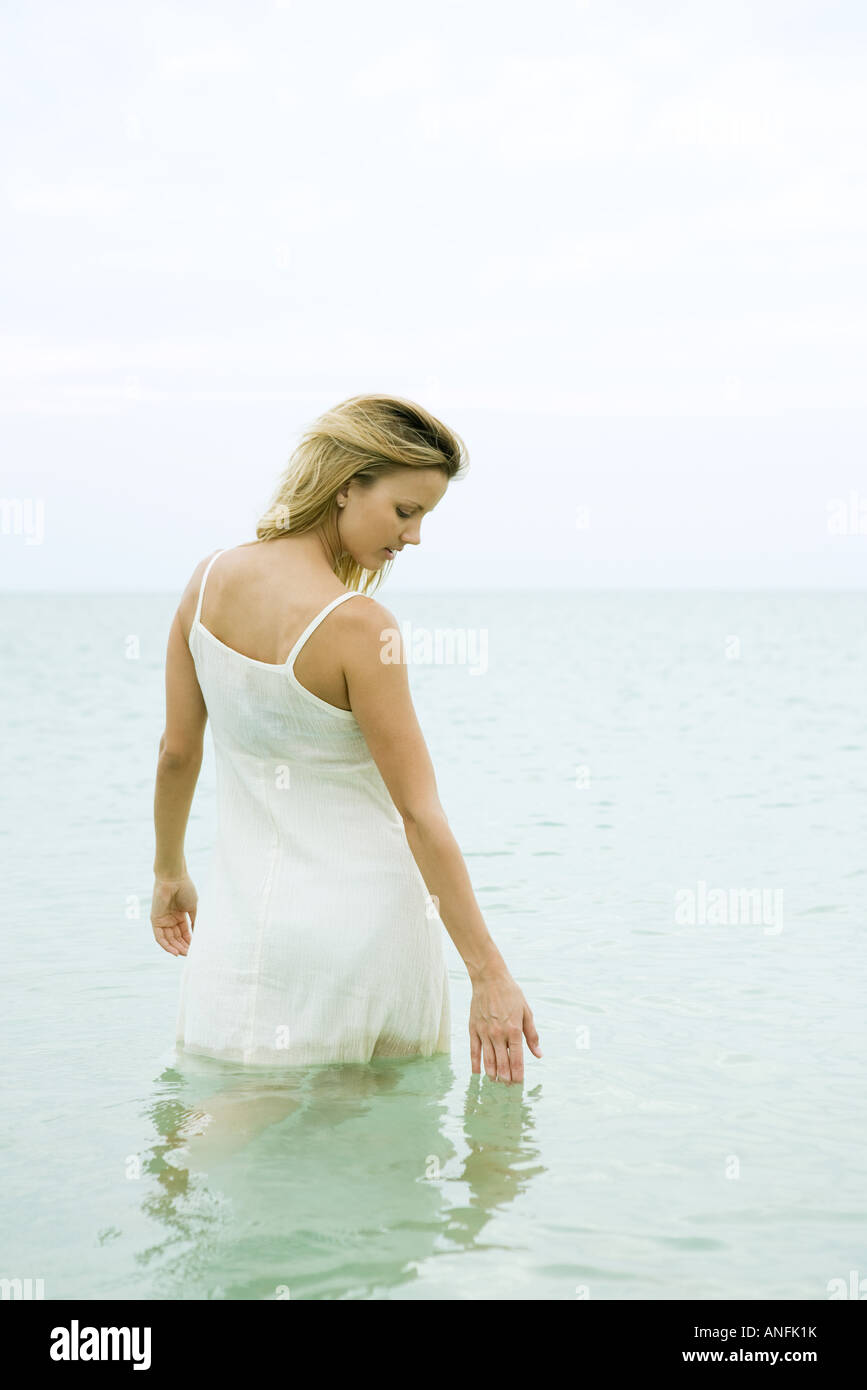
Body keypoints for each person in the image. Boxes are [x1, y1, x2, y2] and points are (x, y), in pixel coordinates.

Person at [151, 393, 541, 1084]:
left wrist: (169, 873)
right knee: (377, 1169)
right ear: (345, 485)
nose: (414, 536)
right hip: (364, 940)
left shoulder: (205, 582)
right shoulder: (361, 627)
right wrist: (489, 975)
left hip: (240, 943)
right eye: (404, 510)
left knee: (224, 1148)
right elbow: (420, 814)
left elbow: (177, 752)